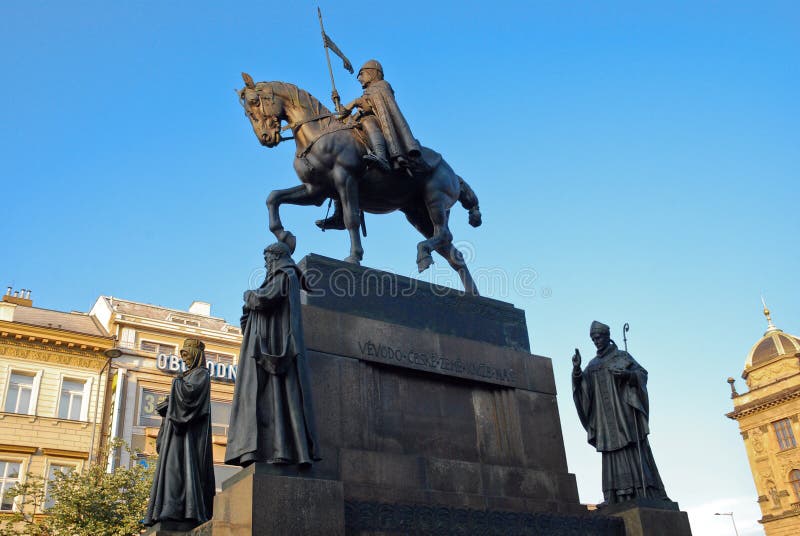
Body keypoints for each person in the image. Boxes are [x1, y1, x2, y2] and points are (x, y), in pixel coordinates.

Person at [225, 242, 321, 467]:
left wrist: (249, 295)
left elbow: (265, 299)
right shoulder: (280, 276)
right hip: (266, 346)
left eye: (267, 259)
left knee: (279, 396)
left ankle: (283, 449)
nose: (266, 264)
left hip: (276, 347)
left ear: (277, 257)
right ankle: (265, 449)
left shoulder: (285, 275)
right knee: (269, 398)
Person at [572, 321, 669, 506]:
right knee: (610, 453)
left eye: (598, 337)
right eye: (593, 339)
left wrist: (628, 375)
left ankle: (642, 490)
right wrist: (577, 371)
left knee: (632, 447)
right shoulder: (592, 365)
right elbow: (583, 389)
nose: (596, 341)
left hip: (624, 413)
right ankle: (613, 496)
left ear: (607, 336)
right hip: (605, 419)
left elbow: (642, 374)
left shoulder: (622, 356)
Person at [144, 338, 215, 528]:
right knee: (170, 469)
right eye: (182, 356)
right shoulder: (187, 376)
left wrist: (176, 384)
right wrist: (167, 405)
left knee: (178, 469)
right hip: (175, 433)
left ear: (196, 354)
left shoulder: (201, 374)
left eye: (186, 355)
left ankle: (178, 509)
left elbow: (190, 397)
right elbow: (180, 398)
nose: (184, 360)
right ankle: (167, 507)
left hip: (187, 437)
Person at [340, 59, 422, 173]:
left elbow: (369, 105)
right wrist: (340, 107)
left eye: (362, 74)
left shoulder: (382, 86)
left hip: (381, 122)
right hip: (368, 119)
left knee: (368, 121)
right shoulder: (368, 92)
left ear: (372, 73)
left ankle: (382, 157)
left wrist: (356, 102)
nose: (359, 78)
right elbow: (360, 109)